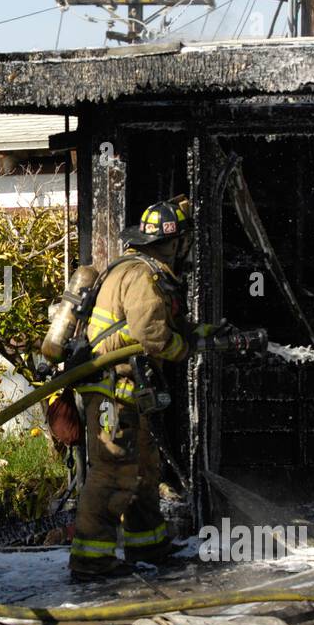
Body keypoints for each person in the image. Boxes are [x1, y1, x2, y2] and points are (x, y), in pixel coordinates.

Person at [70, 197, 207, 581]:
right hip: (115, 392)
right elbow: (151, 335)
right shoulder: (143, 275)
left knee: (145, 470)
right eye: (186, 242)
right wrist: (188, 348)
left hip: (129, 391)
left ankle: (147, 543)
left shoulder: (135, 268)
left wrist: (201, 333)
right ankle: (90, 559)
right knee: (112, 473)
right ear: (175, 242)